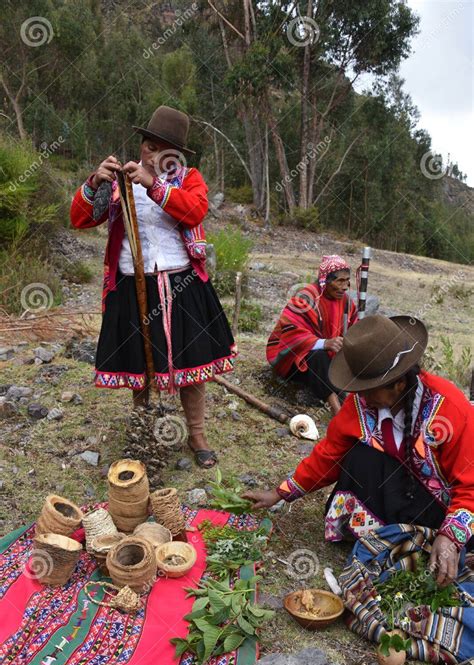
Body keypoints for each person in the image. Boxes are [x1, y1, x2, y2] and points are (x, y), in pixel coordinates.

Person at [245, 315, 474, 586]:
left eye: (367, 389)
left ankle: (425, 543)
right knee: (359, 456)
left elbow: (470, 487)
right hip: (402, 496)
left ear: (397, 383)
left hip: (444, 508)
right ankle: (386, 538)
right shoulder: (362, 405)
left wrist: (450, 537)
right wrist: (281, 493)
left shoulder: (449, 409)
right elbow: (330, 455)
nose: (360, 396)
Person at [70, 105, 236, 468]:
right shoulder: (119, 182)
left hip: (182, 281)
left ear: (176, 155)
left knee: (193, 363)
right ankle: (144, 427)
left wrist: (155, 185)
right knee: (139, 361)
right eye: (149, 145)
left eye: (164, 149)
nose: (154, 154)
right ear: (142, 145)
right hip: (132, 281)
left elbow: (194, 211)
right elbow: (79, 219)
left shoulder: (189, 179)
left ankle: (196, 433)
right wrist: (95, 182)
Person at [266, 254, 358, 416]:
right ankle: (336, 410)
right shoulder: (305, 298)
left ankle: (352, 402)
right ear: (325, 281)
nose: (345, 287)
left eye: (347, 281)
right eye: (339, 281)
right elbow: (291, 334)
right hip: (293, 360)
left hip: (329, 363)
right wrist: (324, 343)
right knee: (318, 357)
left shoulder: (347, 303)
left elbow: (355, 328)